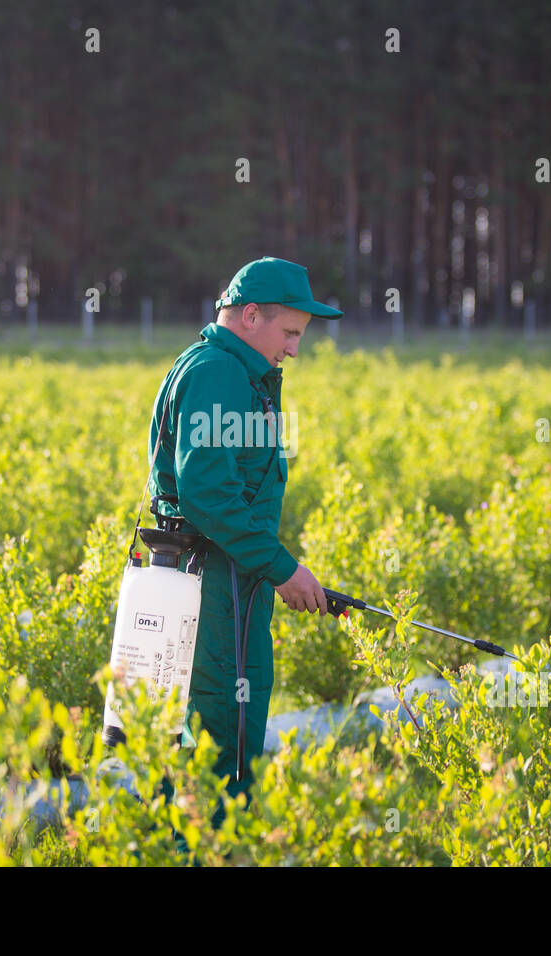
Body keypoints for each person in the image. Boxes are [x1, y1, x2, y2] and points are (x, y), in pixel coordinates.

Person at [145, 256, 341, 825]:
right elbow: (210, 497)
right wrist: (283, 569)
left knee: (206, 742)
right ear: (251, 316)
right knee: (220, 745)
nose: (294, 350)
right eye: (290, 333)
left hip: (229, 582)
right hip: (217, 588)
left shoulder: (233, 371)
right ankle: (207, 851)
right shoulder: (219, 373)